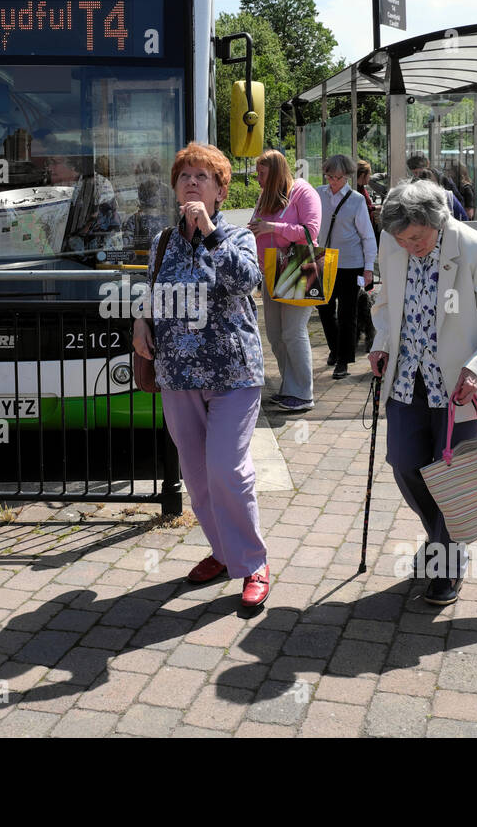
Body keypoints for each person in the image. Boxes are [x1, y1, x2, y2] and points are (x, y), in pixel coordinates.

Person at [131, 142, 272, 608]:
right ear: (175, 188)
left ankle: (252, 563)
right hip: (177, 372)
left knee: (227, 469)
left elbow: (246, 281)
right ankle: (223, 552)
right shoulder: (163, 242)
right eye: (185, 175)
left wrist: (210, 232)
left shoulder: (237, 238)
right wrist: (140, 320)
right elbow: (152, 292)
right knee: (196, 474)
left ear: (218, 191)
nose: (192, 181)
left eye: (203, 177)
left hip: (233, 369)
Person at [367, 181, 477, 606]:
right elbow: (384, 303)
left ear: (437, 222)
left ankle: (446, 564)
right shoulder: (393, 242)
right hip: (406, 381)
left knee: (452, 478)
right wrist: (380, 342)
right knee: (406, 467)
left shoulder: (472, 247)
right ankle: (443, 537)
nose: (407, 245)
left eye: (416, 237)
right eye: (399, 239)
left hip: (457, 389)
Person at [249, 149, 321, 413]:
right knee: (276, 334)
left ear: (277, 172)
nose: (258, 179)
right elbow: (254, 226)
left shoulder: (303, 191)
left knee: (293, 331)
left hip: (298, 266)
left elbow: (310, 231)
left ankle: (303, 393)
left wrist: (272, 228)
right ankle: (290, 387)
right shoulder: (265, 196)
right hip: (271, 270)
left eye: (262, 174)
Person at [315, 155, 377, 379]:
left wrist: (368, 268)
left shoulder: (356, 200)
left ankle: (343, 360)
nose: (333, 181)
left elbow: (368, 237)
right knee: (323, 307)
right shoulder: (318, 194)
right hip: (323, 261)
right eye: (330, 176)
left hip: (351, 264)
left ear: (348, 176)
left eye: (338, 177)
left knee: (347, 313)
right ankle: (335, 348)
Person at [407, 153, 467, 221]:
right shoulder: (412, 184)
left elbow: (458, 201)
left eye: (420, 172)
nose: (417, 176)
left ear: (428, 165)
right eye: (414, 173)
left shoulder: (444, 179)